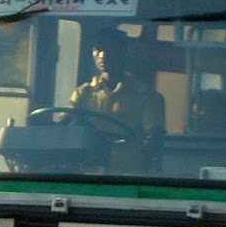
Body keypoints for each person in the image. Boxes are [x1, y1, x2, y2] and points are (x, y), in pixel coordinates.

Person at [70, 30, 165, 171]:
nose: (103, 55)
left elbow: (154, 137)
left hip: (126, 178)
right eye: (98, 49)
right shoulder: (83, 93)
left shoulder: (147, 96)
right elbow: (66, 126)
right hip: (85, 176)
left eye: (110, 49)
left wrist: (142, 156)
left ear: (123, 52)